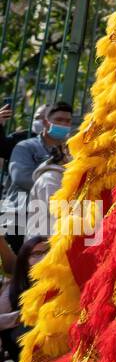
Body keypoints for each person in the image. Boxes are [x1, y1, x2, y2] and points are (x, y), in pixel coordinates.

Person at [2, 102, 72, 251]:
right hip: (19, 214)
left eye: (67, 121)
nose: (64, 124)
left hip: (50, 218)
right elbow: (20, 177)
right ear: (46, 122)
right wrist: (56, 178)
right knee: (19, 267)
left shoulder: (70, 152)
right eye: (59, 120)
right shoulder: (25, 147)